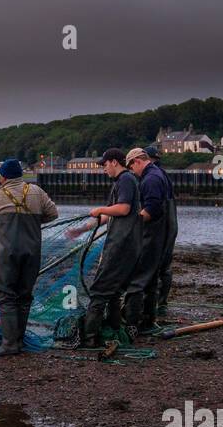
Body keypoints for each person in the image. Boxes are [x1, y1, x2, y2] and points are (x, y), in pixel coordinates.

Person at [0, 159, 59, 357]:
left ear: (4, 177)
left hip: (7, 253)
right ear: (20, 175)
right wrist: (32, 221)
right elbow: (53, 214)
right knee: (24, 295)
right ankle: (19, 341)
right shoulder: (37, 192)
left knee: (4, 293)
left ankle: (9, 344)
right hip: (32, 251)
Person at [67, 148, 142, 348]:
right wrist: (81, 230)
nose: (104, 169)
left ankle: (90, 337)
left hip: (121, 245)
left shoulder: (126, 180)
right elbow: (109, 215)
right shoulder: (122, 182)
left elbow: (123, 208)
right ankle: (113, 329)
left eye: (105, 165)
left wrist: (100, 208)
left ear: (115, 162)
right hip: (125, 244)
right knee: (114, 291)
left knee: (100, 289)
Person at [119, 147, 170, 332]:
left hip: (151, 235)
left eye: (132, 168)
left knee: (138, 278)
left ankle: (133, 323)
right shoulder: (159, 174)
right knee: (150, 278)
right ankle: (147, 320)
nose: (132, 172)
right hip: (160, 236)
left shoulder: (151, 179)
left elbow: (152, 208)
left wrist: (132, 224)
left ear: (138, 161)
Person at [144, 143, 178, 317]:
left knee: (155, 267)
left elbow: (153, 207)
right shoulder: (163, 175)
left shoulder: (152, 177)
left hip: (162, 228)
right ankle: (162, 303)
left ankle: (155, 305)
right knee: (165, 267)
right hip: (170, 227)